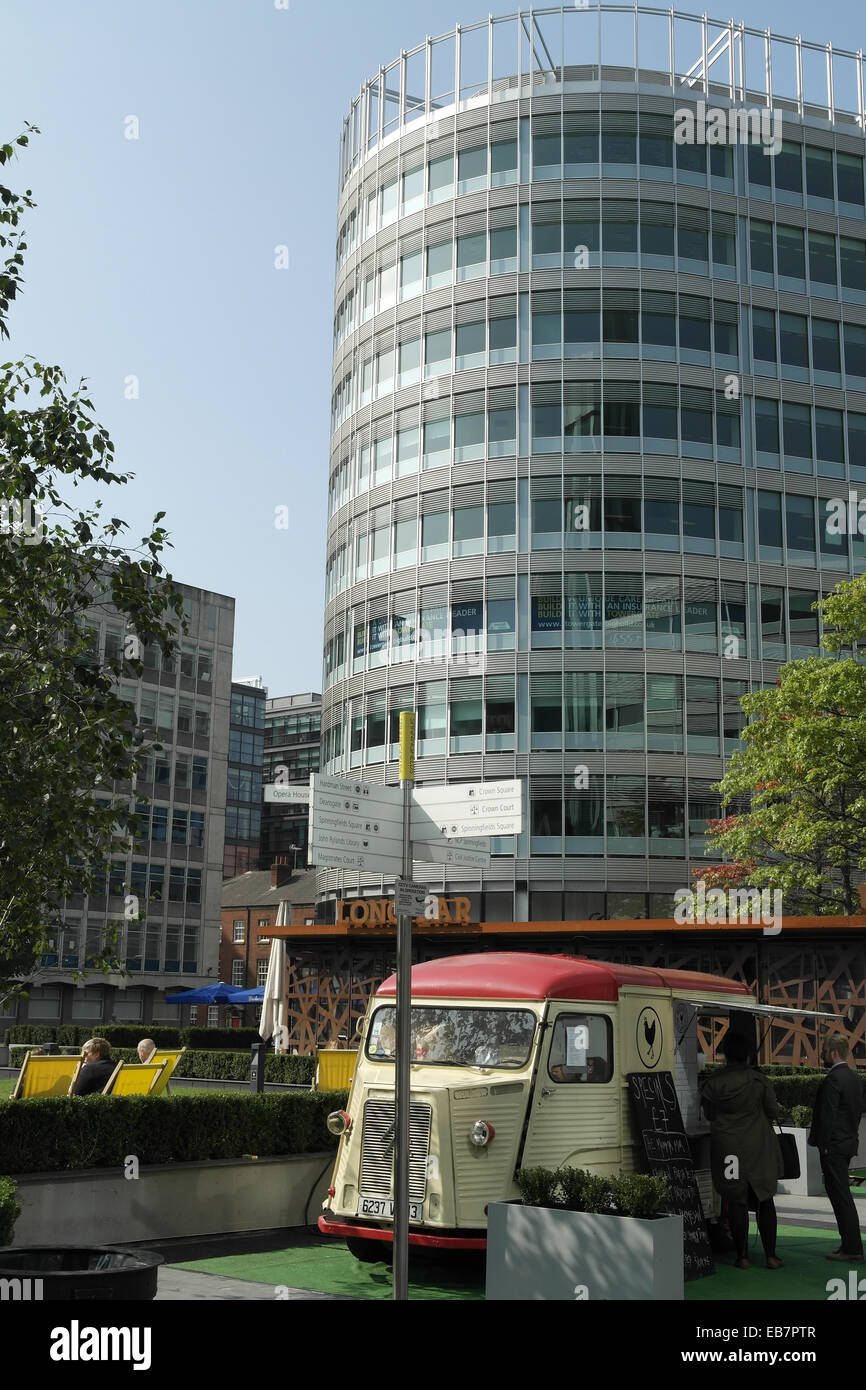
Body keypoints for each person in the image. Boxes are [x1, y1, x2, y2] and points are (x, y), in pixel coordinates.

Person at [700, 1031, 783, 1270]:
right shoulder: (759, 1080)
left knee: (735, 1200)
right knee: (765, 1199)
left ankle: (742, 1256)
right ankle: (771, 1256)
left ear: (725, 1054)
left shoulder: (713, 1084)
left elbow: (709, 1114)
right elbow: (772, 1112)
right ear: (747, 1054)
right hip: (758, 1146)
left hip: (728, 1149)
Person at [808, 1032, 864, 1263]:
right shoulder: (854, 1078)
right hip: (848, 1142)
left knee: (840, 1196)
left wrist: (823, 1146)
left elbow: (827, 1115)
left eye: (823, 1051)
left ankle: (851, 1248)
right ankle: (849, 1245)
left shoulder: (833, 1079)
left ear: (833, 1052)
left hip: (834, 1147)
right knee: (842, 1195)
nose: (821, 1054)